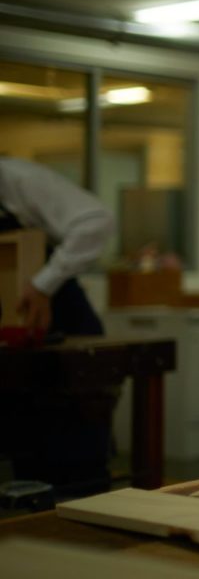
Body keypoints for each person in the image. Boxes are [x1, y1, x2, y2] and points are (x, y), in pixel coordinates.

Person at [0, 156, 116, 494]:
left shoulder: (18, 178)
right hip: (15, 345)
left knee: (77, 465)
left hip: (66, 333)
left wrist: (43, 284)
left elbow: (96, 222)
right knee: (29, 468)